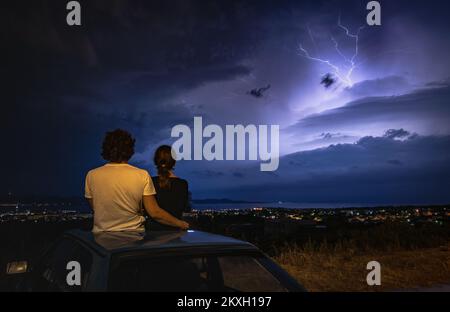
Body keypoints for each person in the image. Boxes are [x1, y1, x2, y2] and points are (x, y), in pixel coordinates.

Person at [84, 130, 189, 232]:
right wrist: (181, 224)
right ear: (130, 150)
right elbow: (154, 212)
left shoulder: (91, 175)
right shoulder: (141, 175)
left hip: (101, 238)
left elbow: (97, 207)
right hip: (133, 236)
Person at [145, 145, 191, 231]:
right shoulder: (183, 184)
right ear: (174, 162)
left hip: (152, 235)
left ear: (156, 161)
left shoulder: (150, 182)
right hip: (175, 233)